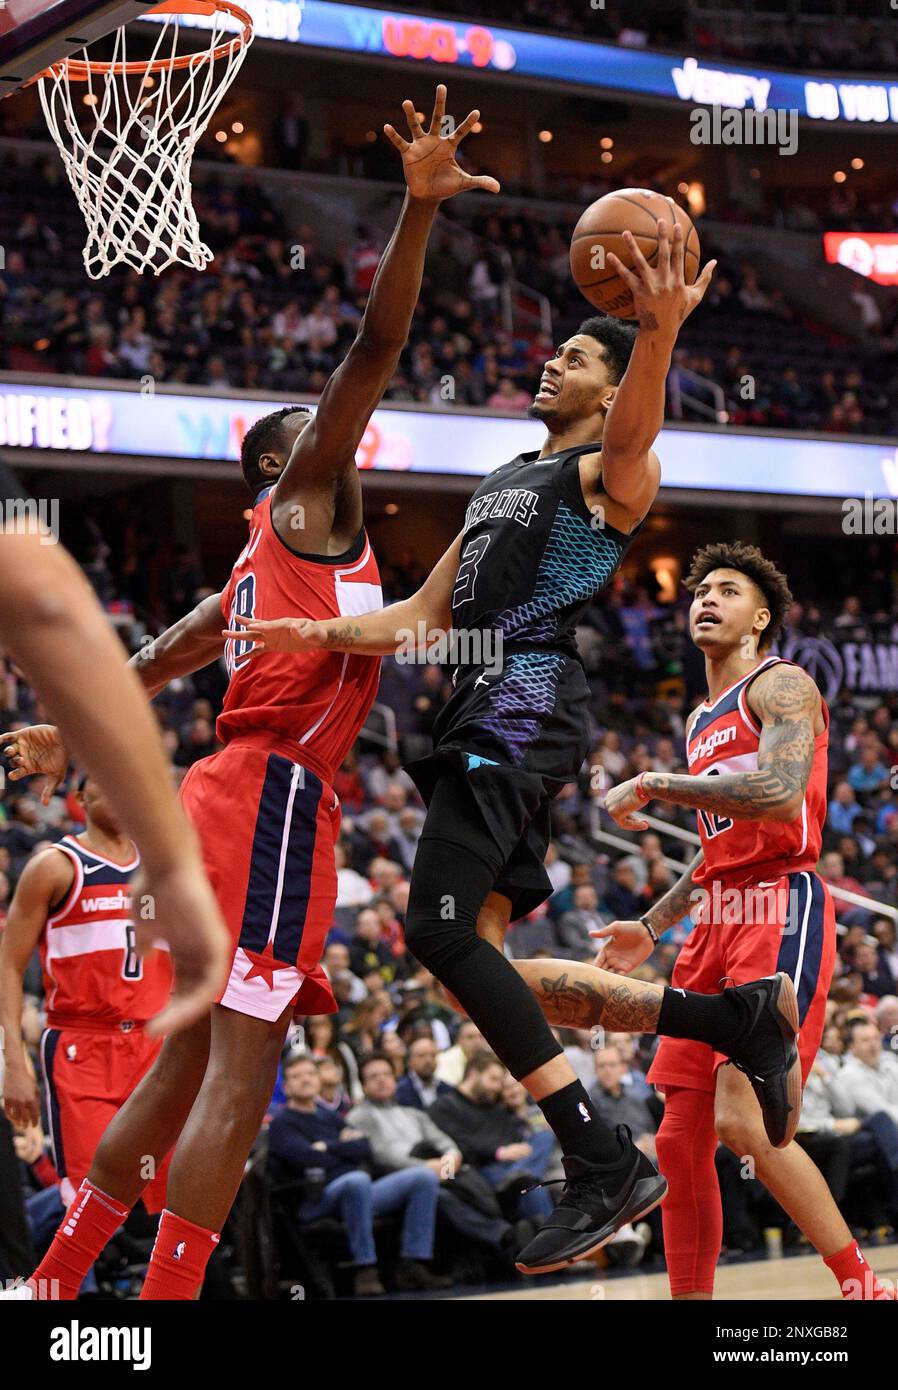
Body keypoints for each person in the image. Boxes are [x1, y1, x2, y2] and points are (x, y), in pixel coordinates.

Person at [226, 226, 808, 1276]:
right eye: (559, 355)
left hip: (523, 704)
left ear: (608, 386)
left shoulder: (608, 471)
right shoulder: (502, 476)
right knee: (475, 969)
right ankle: (727, 1018)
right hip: (479, 705)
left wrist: (654, 337)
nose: (551, 363)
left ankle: (600, 1155)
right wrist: (310, 630)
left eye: (576, 359)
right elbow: (415, 613)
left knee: (433, 931)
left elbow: (636, 422)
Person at [5, 84, 498, 1302]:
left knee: (182, 1069)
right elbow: (374, 353)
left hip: (221, 791)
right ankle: (165, 1307)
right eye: (318, 434)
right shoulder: (303, 504)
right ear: (288, 462)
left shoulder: (244, 566)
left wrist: (68, 721)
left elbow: (161, 652)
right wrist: (417, 211)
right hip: (274, 793)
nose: (347, 444)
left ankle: (58, 1290)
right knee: (245, 1067)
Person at [598, 541, 892, 1301]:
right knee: (676, 1133)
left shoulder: (782, 684)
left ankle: (859, 1282)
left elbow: (777, 792)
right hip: (715, 920)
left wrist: (657, 784)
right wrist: (653, 925)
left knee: (743, 1121)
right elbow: (715, 850)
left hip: (779, 905)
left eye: (727, 591)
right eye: (700, 590)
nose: (706, 599)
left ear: (760, 618)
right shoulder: (700, 718)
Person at [0, 529, 228, 1042]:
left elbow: (175, 645)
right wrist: (171, 861)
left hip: (143, 1036)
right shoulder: (54, 864)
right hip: (80, 1038)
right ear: (78, 799)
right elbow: (45, 597)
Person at [0, 777, 172, 1221]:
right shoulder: (55, 866)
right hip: (83, 1047)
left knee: (169, 1202)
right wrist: (15, 1062)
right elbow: (9, 966)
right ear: (78, 799)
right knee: (90, 1203)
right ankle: (56, 1286)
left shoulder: (159, 866)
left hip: (153, 1046)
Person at [267, 1054, 449, 1294]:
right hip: (316, 1199)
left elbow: (364, 1148)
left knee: (423, 1177)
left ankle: (413, 1264)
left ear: (318, 1080)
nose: (305, 1080)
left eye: (310, 1074)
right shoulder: (283, 1123)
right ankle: (365, 1270)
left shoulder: (328, 1116)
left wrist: (328, 1146)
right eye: (296, 1076)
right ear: (286, 1086)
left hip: (359, 1189)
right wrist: (341, 1148)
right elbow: (307, 1158)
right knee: (357, 1180)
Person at [395, 1035, 455, 1110]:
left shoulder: (448, 1090)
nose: (428, 1061)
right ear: (409, 1061)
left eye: (433, 1055)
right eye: (421, 1056)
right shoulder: (399, 1091)